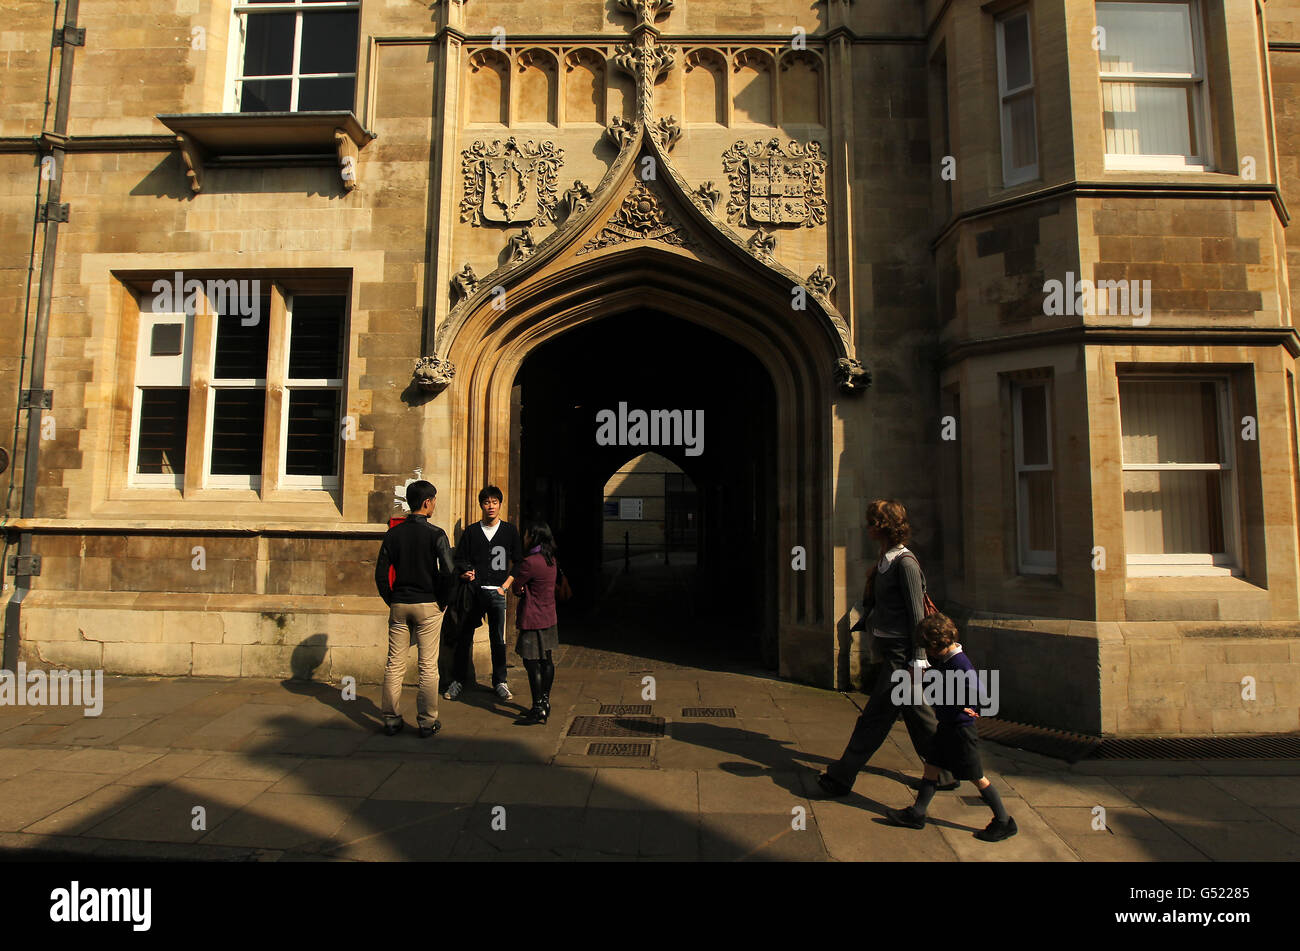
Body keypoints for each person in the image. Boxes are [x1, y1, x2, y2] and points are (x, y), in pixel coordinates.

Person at [817, 498, 956, 796]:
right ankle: (945, 773)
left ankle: (841, 777)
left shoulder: (905, 564)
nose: (867, 527)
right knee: (920, 717)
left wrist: (918, 660)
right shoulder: (886, 560)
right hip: (894, 652)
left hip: (902, 656)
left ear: (883, 527)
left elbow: (917, 613)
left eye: (871, 522)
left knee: (875, 718)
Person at [884, 613, 1017, 841]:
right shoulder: (945, 660)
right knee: (932, 767)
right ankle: (917, 813)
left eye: (930, 650)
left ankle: (1003, 821)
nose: (929, 654)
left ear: (938, 645)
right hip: (946, 727)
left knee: (978, 778)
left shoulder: (959, 664)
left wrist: (973, 708)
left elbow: (982, 694)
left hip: (961, 732)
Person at [374, 480, 455, 738]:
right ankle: (427, 721)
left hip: (400, 603)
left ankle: (390, 719)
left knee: (394, 664)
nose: (434, 505)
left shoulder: (393, 534)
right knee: (428, 666)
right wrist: (441, 601)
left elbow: (380, 573)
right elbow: (449, 571)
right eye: (434, 500)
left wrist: (392, 598)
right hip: (427, 604)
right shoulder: (436, 534)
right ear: (426, 502)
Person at [445, 485, 524, 701]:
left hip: (497, 593)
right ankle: (458, 680)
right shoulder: (471, 531)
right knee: (464, 637)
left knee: (498, 639)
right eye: (487, 502)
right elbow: (459, 559)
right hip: (473, 592)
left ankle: (500, 681)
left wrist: (505, 586)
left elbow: (518, 562)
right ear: (481, 505)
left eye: (494, 502)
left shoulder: (509, 531)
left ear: (500, 504)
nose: (491, 506)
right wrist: (464, 573)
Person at [512, 521, 560, 725]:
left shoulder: (530, 562)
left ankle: (538, 706)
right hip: (548, 616)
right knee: (547, 659)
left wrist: (520, 589)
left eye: (526, 534)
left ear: (534, 536)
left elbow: (517, 586)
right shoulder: (551, 560)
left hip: (532, 617)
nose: (524, 538)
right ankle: (546, 701)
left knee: (531, 662)